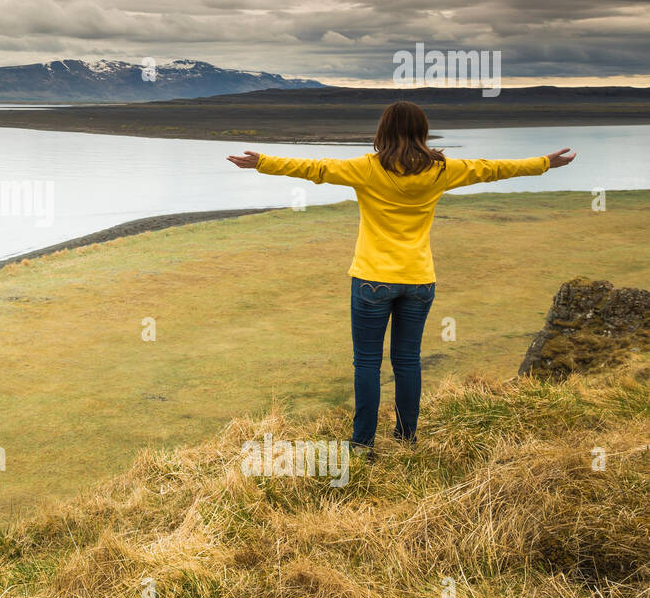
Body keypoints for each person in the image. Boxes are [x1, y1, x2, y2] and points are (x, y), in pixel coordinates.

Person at [227, 100, 576, 453]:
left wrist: (262, 162)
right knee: (407, 360)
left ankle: (362, 444)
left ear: (383, 131)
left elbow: (315, 169)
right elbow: (493, 169)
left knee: (367, 362)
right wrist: (544, 163)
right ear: (422, 132)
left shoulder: (367, 168)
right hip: (419, 280)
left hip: (372, 279)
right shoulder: (442, 170)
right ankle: (407, 437)